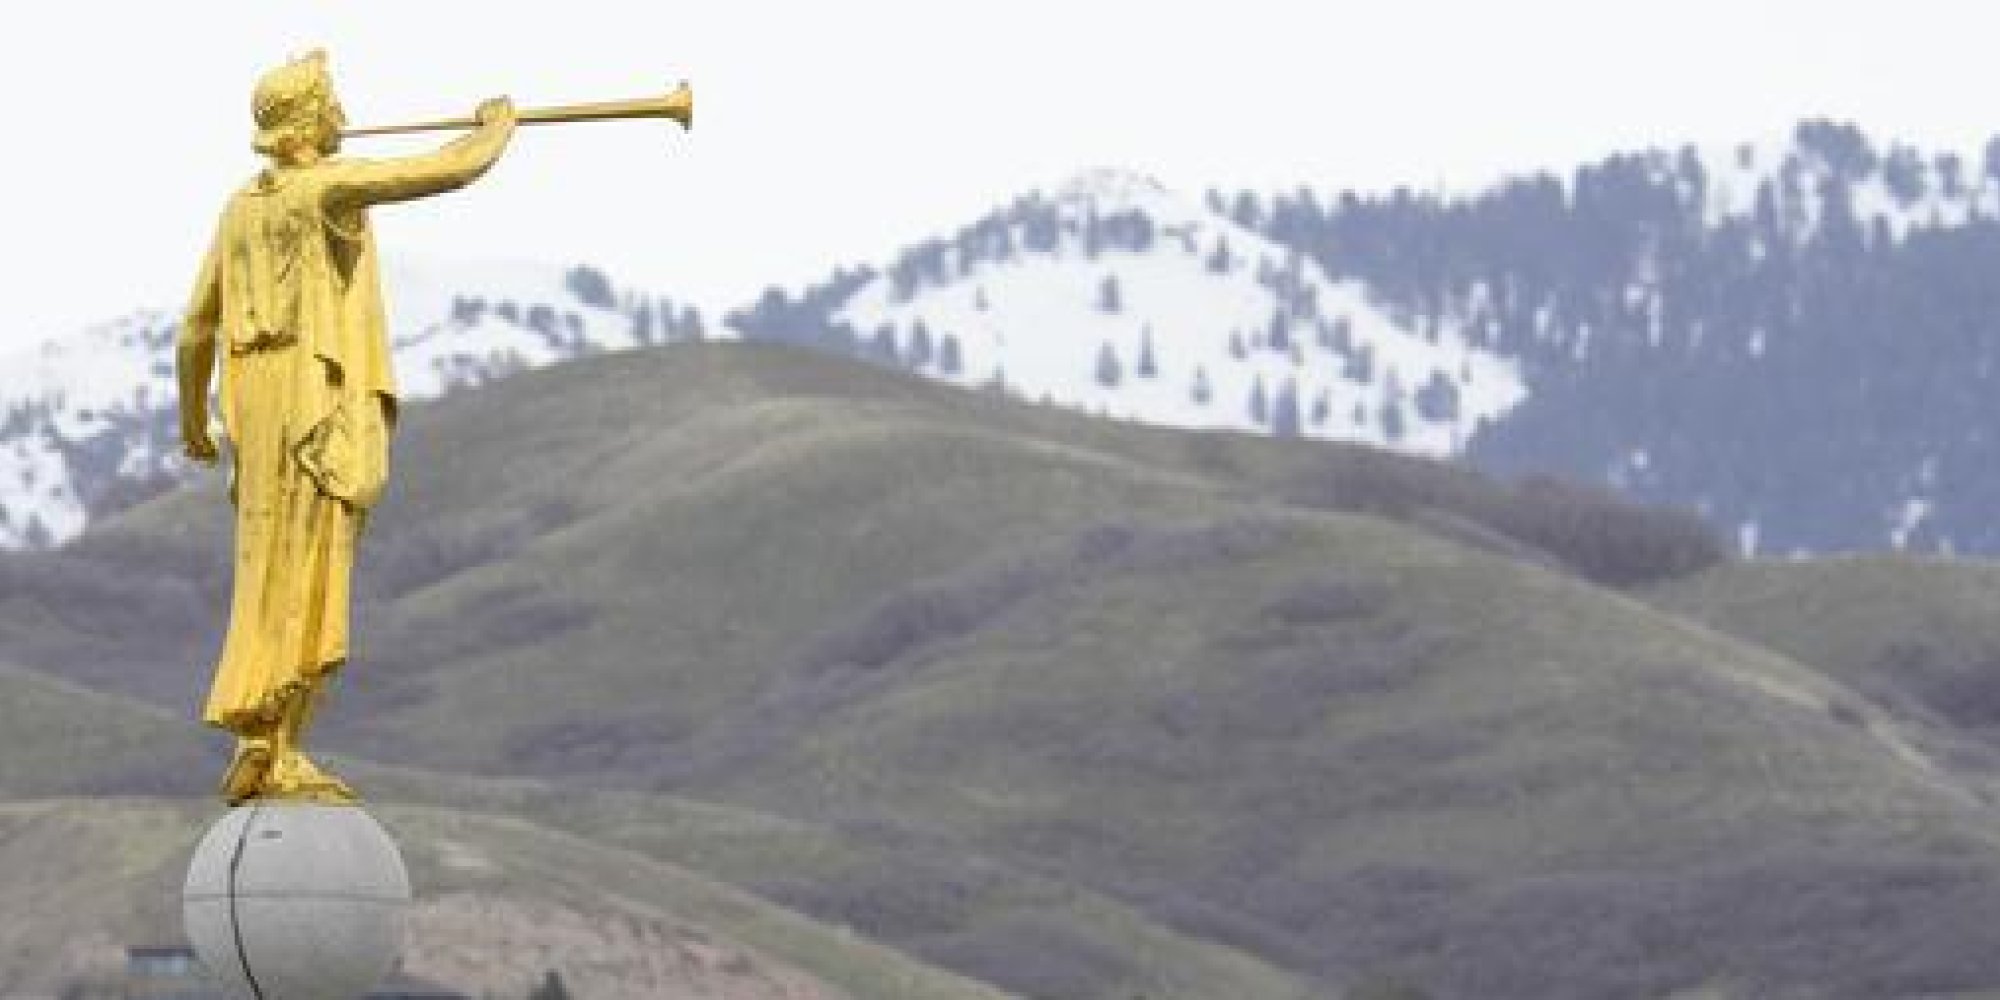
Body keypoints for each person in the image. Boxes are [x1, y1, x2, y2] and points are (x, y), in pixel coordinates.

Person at [177, 50, 516, 804]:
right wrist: (498, 129)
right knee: (309, 562)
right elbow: (442, 172)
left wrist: (192, 417)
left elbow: (193, 331)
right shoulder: (325, 187)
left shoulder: (238, 211)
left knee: (265, 563)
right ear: (304, 122)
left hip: (256, 404)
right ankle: (282, 741)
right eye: (332, 102)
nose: (344, 114)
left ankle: (259, 733)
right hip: (309, 394)